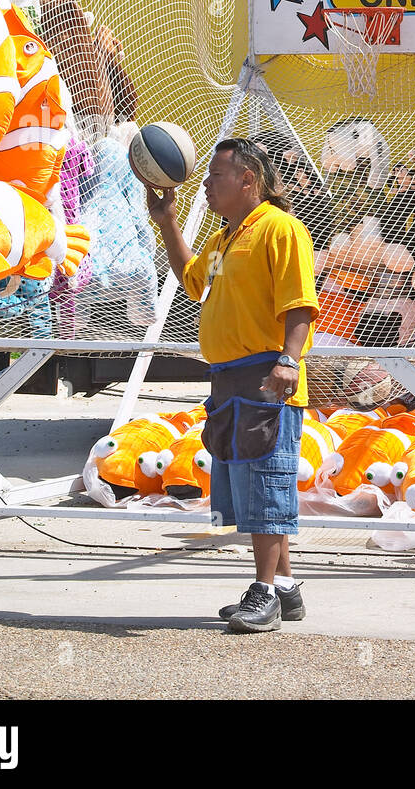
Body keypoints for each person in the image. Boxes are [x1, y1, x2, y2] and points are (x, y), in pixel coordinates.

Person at [147, 137, 318, 633]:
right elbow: (193, 282)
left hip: (267, 376)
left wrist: (288, 360)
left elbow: (300, 304)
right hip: (228, 381)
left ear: (249, 180)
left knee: (268, 485)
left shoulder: (279, 229)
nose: (205, 185)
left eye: (215, 176)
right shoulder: (226, 238)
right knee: (249, 486)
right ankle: (285, 589)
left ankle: (262, 592)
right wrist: (167, 223)